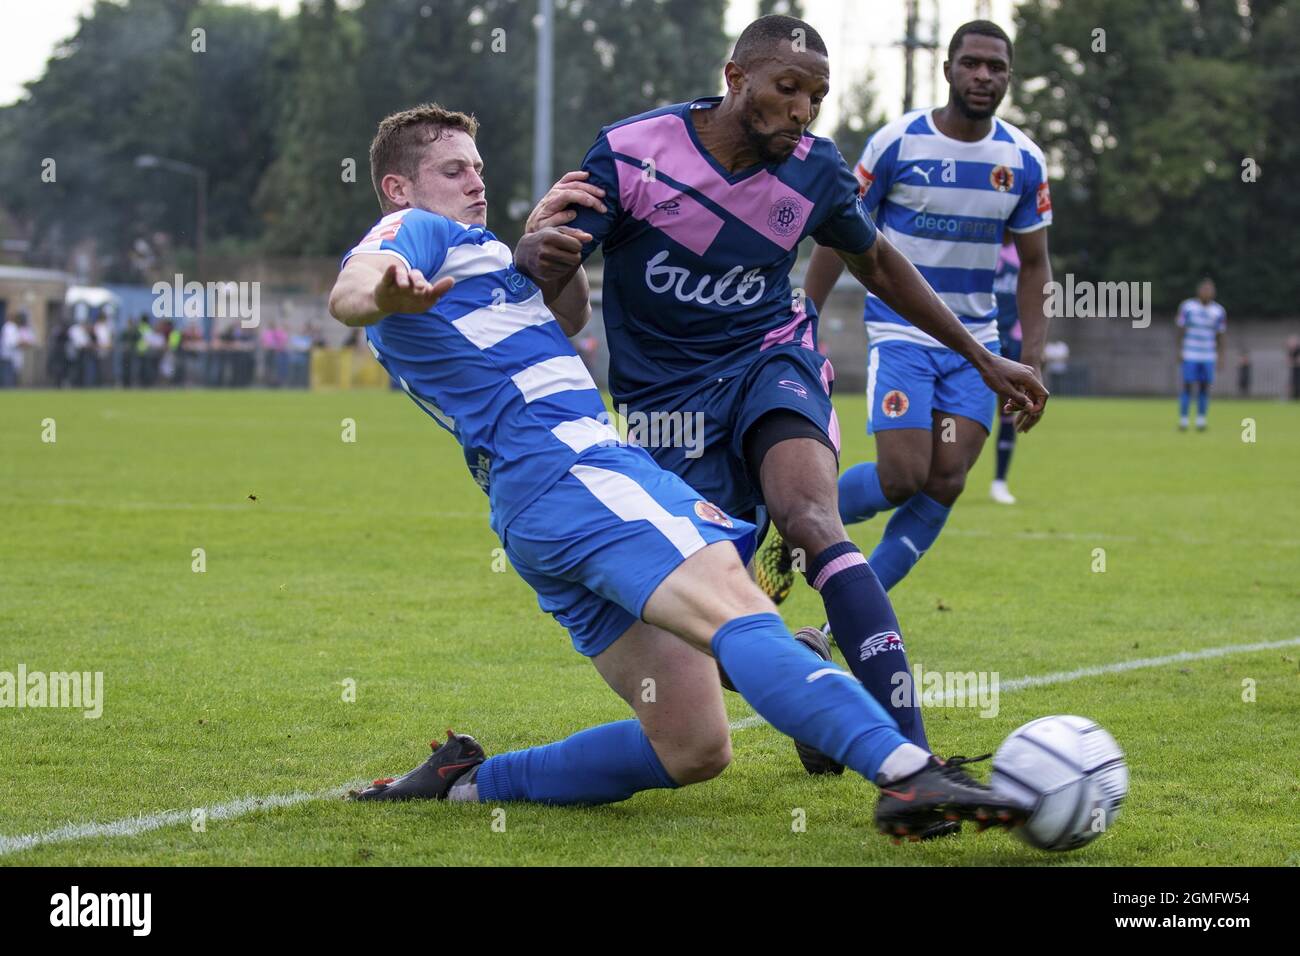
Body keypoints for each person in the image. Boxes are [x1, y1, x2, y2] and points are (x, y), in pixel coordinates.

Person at [327, 103, 1027, 839]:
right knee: (740, 606)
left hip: (533, 515)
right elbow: (352, 289)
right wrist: (383, 289)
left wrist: (541, 245)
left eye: (478, 166)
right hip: (577, 471)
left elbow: (562, 320)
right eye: (452, 170)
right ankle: (908, 776)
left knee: (693, 744)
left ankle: (465, 783)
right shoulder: (414, 236)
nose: (475, 181)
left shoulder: (476, 258)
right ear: (400, 188)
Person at [520, 14, 1047, 780]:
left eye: (817, 96)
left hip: (772, 359)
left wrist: (983, 355)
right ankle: (812, 683)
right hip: (668, 407)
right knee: (722, 620)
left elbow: (882, 266)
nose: (802, 110)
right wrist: (532, 254)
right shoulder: (633, 152)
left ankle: (916, 761)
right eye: (788, 88)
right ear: (736, 79)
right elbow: (562, 306)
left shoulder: (818, 169)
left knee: (810, 519)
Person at [796, 19, 1052, 595]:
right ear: (948, 70)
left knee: (946, 479)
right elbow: (839, 233)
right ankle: (793, 523)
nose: (983, 75)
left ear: (1009, 77)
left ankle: (846, 615)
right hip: (901, 332)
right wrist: (803, 322)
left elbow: (1035, 267)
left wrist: (1031, 356)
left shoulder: (1024, 160)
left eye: (997, 66)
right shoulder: (896, 143)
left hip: (977, 345)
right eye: (972, 63)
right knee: (904, 475)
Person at [990, 235, 1022, 504]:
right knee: (954, 412)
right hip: (978, 338)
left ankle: (1000, 481)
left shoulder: (1024, 254)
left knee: (1008, 411)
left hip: (1013, 341)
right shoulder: (982, 246)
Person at [1176, 277, 1225, 431]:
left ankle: (1200, 420)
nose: (1207, 292)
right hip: (1190, 352)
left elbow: (1221, 335)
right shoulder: (1188, 307)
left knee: (1204, 387)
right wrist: (1179, 350)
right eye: (1205, 289)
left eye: (1210, 290)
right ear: (1199, 291)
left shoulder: (1218, 311)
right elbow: (1180, 330)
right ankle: (1183, 420)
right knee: (1187, 386)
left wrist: (1221, 356)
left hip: (1208, 354)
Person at [1, 312, 36, 387]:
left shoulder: (13, 327)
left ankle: (10, 388)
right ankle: (8, 390)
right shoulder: (10, 327)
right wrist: (24, 343)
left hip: (11, 356)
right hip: (8, 355)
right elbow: (11, 342)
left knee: (12, 374)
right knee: (8, 375)